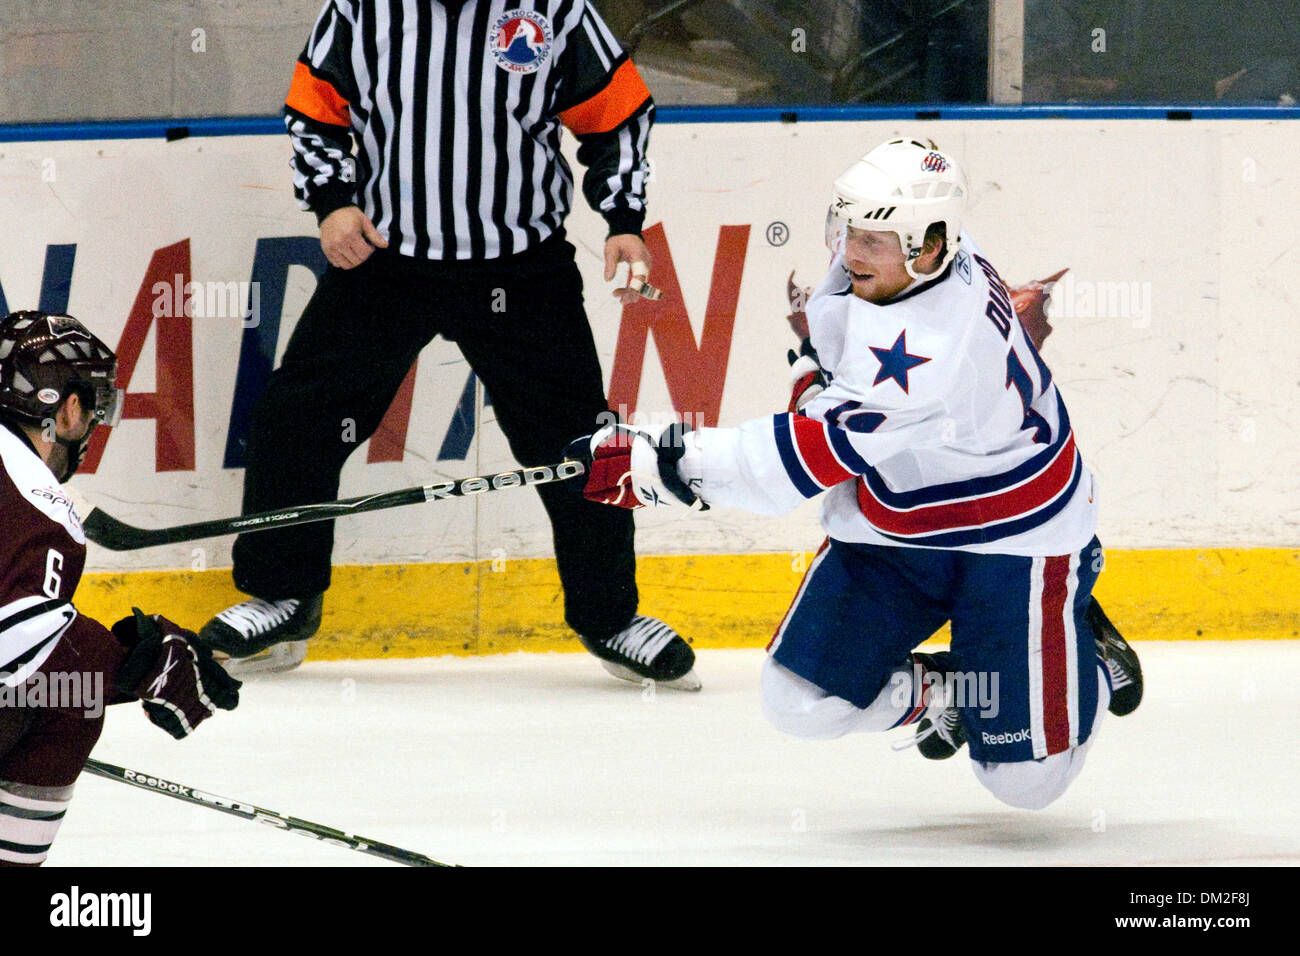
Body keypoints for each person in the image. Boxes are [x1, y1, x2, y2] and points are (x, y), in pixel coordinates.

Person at [571, 139, 1143, 810]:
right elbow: (841, 373)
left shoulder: (933, 352)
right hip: (897, 525)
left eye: (874, 236)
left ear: (929, 247)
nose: (850, 251)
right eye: (848, 228)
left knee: (1025, 783)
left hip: (1013, 540)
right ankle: (952, 696)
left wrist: (663, 463)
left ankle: (1087, 650)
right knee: (800, 702)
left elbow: (800, 463)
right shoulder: (924, 255)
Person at [199, 0, 698, 688]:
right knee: (298, 417)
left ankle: (609, 615)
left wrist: (622, 217)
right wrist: (333, 202)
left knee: (580, 441)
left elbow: (617, 112)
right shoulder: (362, 10)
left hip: (520, 265)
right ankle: (283, 595)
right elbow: (313, 107)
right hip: (385, 259)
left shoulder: (555, 9)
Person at [0, 311, 240, 865]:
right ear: (68, 409)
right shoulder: (34, 502)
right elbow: (14, 641)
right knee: (69, 704)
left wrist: (124, 663)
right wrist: (136, 664)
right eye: (92, 407)